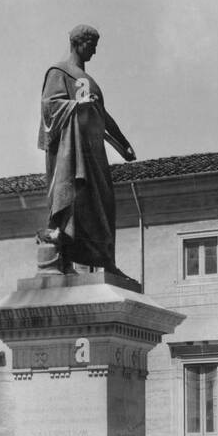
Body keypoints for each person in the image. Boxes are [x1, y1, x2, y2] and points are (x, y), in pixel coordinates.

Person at [37, 24, 136, 276]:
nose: (94, 52)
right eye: (91, 46)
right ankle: (62, 258)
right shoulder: (59, 72)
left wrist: (122, 141)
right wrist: (77, 105)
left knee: (102, 204)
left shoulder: (91, 82)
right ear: (77, 43)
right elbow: (50, 107)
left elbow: (102, 115)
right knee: (73, 199)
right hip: (71, 152)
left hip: (94, 154)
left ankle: (103, 259)